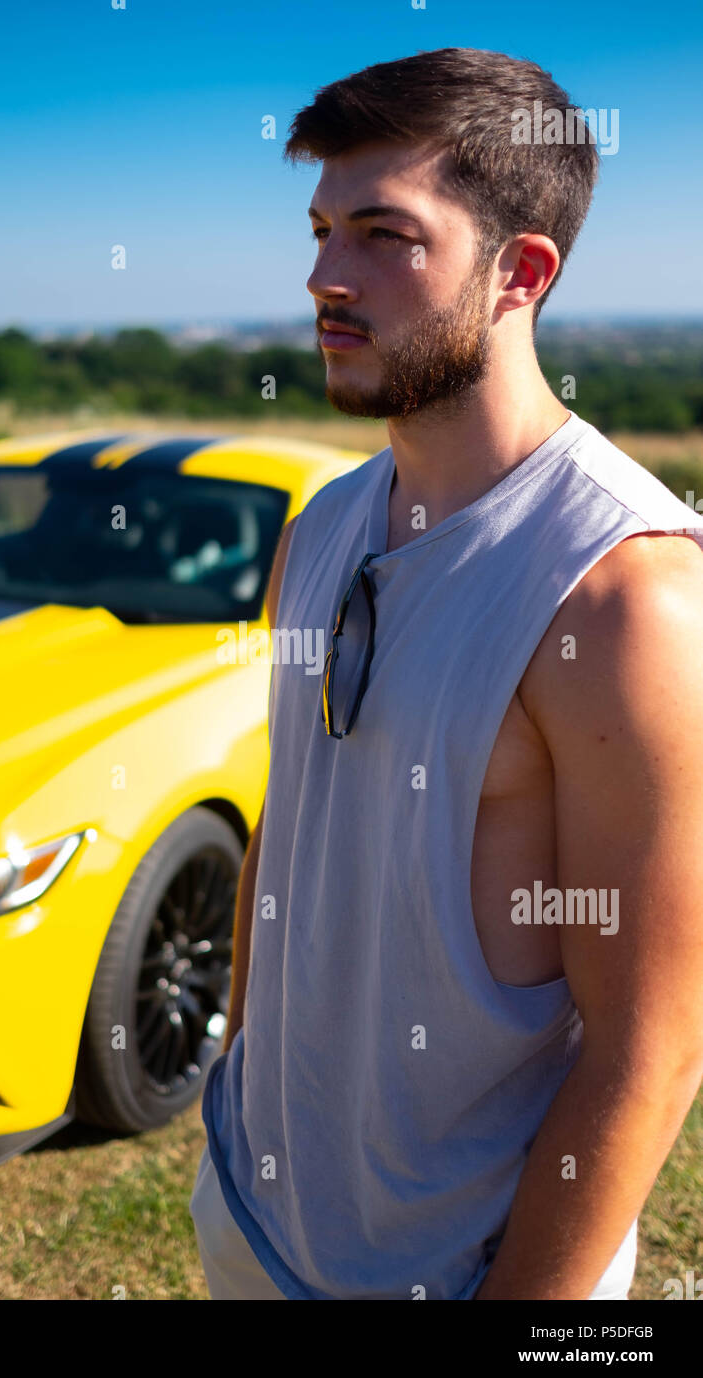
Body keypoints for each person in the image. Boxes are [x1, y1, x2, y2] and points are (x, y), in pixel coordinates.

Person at [189, 47, 703, 1300]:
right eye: (319, 229)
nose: (322, 276)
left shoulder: (621, 596)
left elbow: (652, 1046)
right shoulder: (318, 526)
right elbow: (288, 824)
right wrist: (238, 1101)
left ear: (520, 272)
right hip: (253, 1211)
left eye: (382, 235)